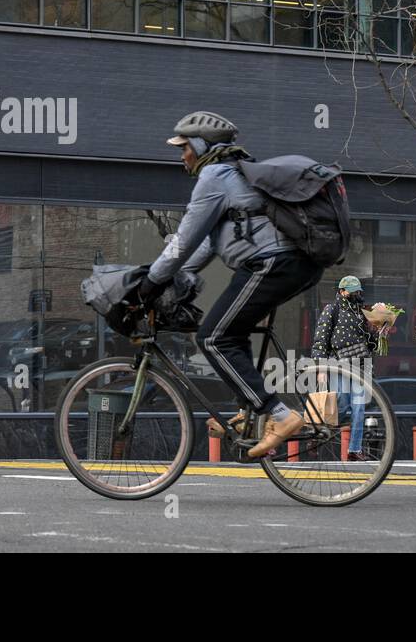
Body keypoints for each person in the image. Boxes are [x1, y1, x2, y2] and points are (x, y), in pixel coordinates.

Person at [136, 111, 323, 459]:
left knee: (212, 336)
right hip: (287, 264)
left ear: (201, 145)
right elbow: (205, 244)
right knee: (229, 334)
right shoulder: (233, 173)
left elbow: (183, 240)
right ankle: (249, 409)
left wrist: (151, 281)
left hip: (273, 263)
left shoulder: (215, 176)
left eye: (185, 148)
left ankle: (280, 415)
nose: (182, 156)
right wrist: (179, 277)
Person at [309, 275, 372, 461]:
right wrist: (320, 368)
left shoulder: (362, 312)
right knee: (341, 407)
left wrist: (379, 332)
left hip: (359, 366)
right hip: (339, 366)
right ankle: (317, 433)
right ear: (342, 291)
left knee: (359, 408)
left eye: (357, 291)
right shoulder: (332, 309)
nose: (356, 294)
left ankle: (354, 449)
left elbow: (369, 343)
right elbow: (321, 339)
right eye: (352, 291)